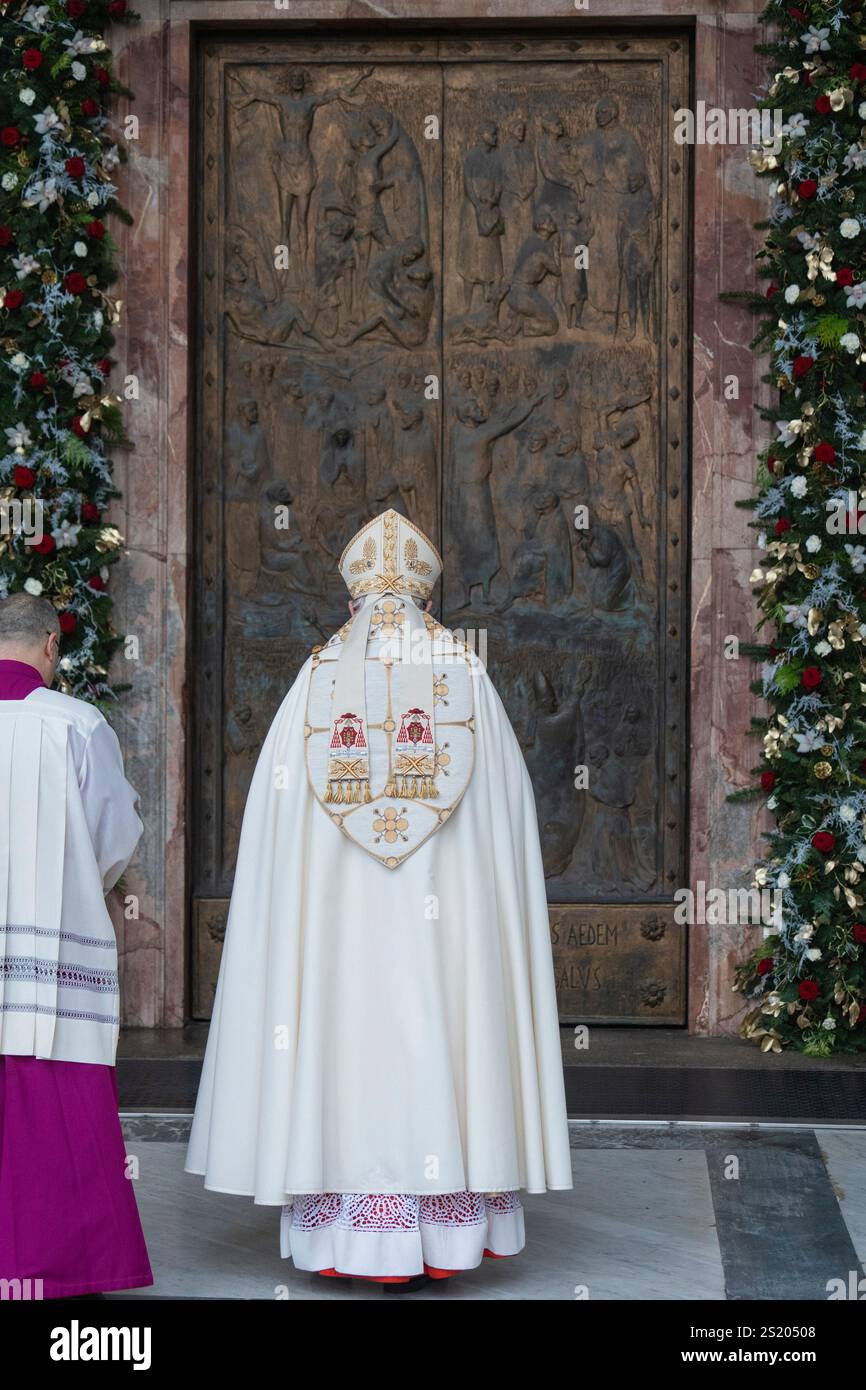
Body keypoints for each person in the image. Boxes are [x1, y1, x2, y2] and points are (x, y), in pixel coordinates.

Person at [186, 509, 572, 1288]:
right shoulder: (470, 682)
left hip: (339, 944)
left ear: (351, 602)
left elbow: (275, 839)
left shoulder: (311, 684)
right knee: (449, 1023)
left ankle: (347, 1233)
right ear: (428, 602)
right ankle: (443, 1232)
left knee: (338, 1039)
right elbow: (507, 829)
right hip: (449, 936)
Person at [0, 592, 151, 1299]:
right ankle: (61, 1269)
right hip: (51, 952)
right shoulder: (76, 723)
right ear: (50, 647)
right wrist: (76, 885)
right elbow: (114, 835)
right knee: (59, 1104)